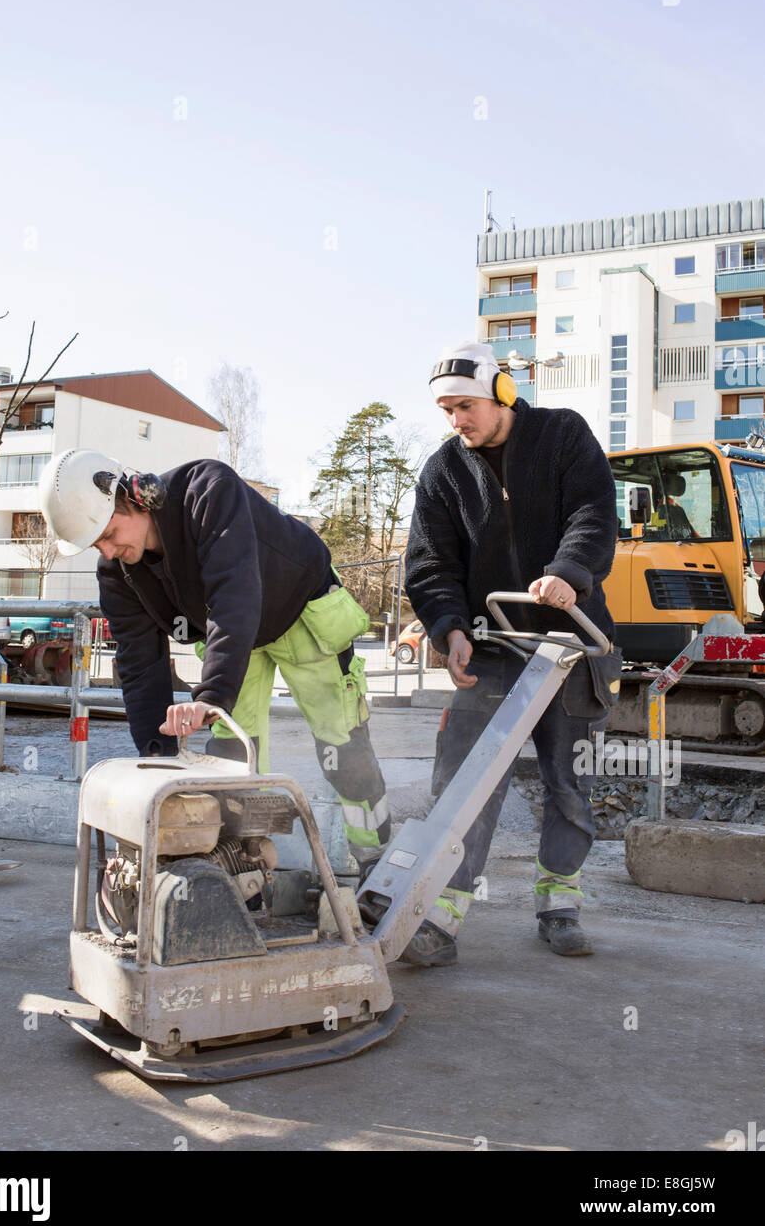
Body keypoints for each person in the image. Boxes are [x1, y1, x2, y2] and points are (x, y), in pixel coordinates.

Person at [38, 449, 390, 859]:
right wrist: (159, 756)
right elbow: (138, 661)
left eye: (109, 533)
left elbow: (235, 595)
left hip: (301, 613)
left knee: (343, 750)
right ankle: (246, 863)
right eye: (95, 544)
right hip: (231, 636)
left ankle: (374, 861)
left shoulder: (208, 491)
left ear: (135, 498)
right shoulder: (116, 572)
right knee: (233, 759)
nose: (108, 550)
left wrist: (211, 697)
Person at [402, 340, 620, 965]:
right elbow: (430, 564)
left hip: (570, 645)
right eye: (446, 410)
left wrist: (569, 572)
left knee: (568, 781)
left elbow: (594, 512)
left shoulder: (562, 435)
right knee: (464, 781)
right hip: (492, 646)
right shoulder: (443, 471)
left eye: (465, 405)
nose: (457, 421)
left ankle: (559, 902)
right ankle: (441, 912)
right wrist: (449, 629)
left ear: (501, 393)